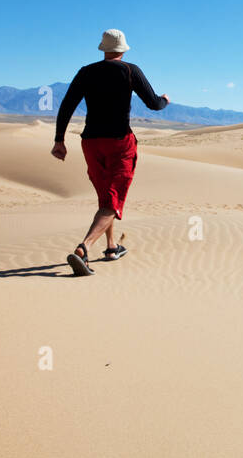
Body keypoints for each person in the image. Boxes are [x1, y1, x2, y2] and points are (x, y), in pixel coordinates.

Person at [51, 29, 169, 275]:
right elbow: (153, 104)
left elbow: (67, 105)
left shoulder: (86, 72)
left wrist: (59, 140)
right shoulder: (130, 70)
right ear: (123, 49)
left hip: (91, 143)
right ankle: (84, 248)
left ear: (103, 49)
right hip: (119, 143)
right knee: (112, 200)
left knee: (106, 197)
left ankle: (112, 247)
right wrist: (165, 100)